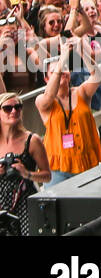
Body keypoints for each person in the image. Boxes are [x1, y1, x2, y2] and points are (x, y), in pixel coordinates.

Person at [35, 39, 101, 184]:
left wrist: (81, 52)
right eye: (53, 72)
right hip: (58, 167)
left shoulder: (81, 92)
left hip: (86, 161)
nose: (61, 72)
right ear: (47, 78)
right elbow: (48, 97)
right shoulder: (42, 100)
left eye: (65, 68)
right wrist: (61, 62)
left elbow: (97, 76)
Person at [0, 91, 52, 235]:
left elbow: (47, 176)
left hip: (25, 201)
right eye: (7, 108)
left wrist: (26, 173)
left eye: (18, 107)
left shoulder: (32, 140)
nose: (14, 111)